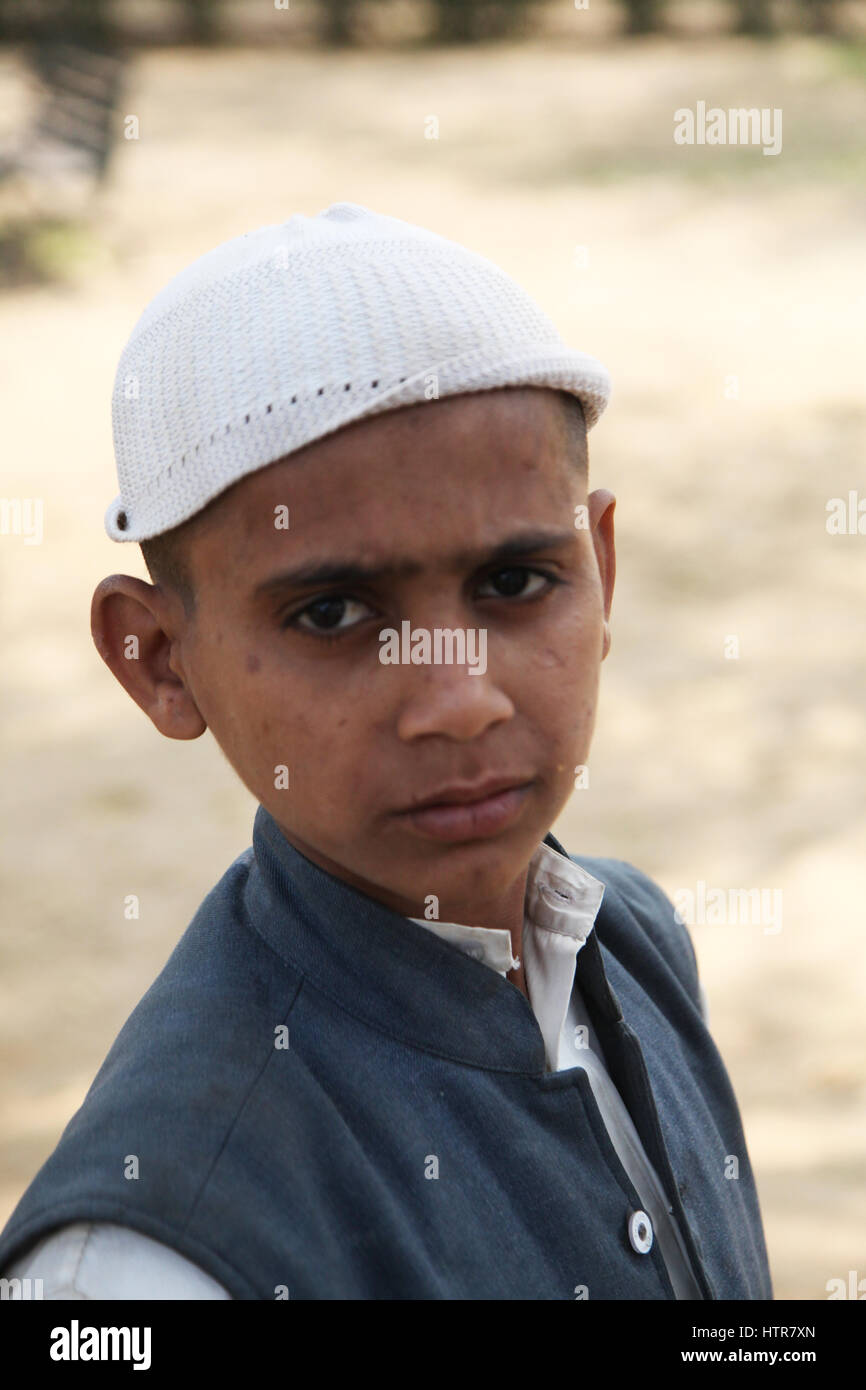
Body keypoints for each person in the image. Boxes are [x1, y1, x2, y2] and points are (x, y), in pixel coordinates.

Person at [0, 202, 772, 1300]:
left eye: (512, 582)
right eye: (331, 613)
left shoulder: (633, 944)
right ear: (159, 659)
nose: (457, 701)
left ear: (600, 566)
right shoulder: (150, 1261)